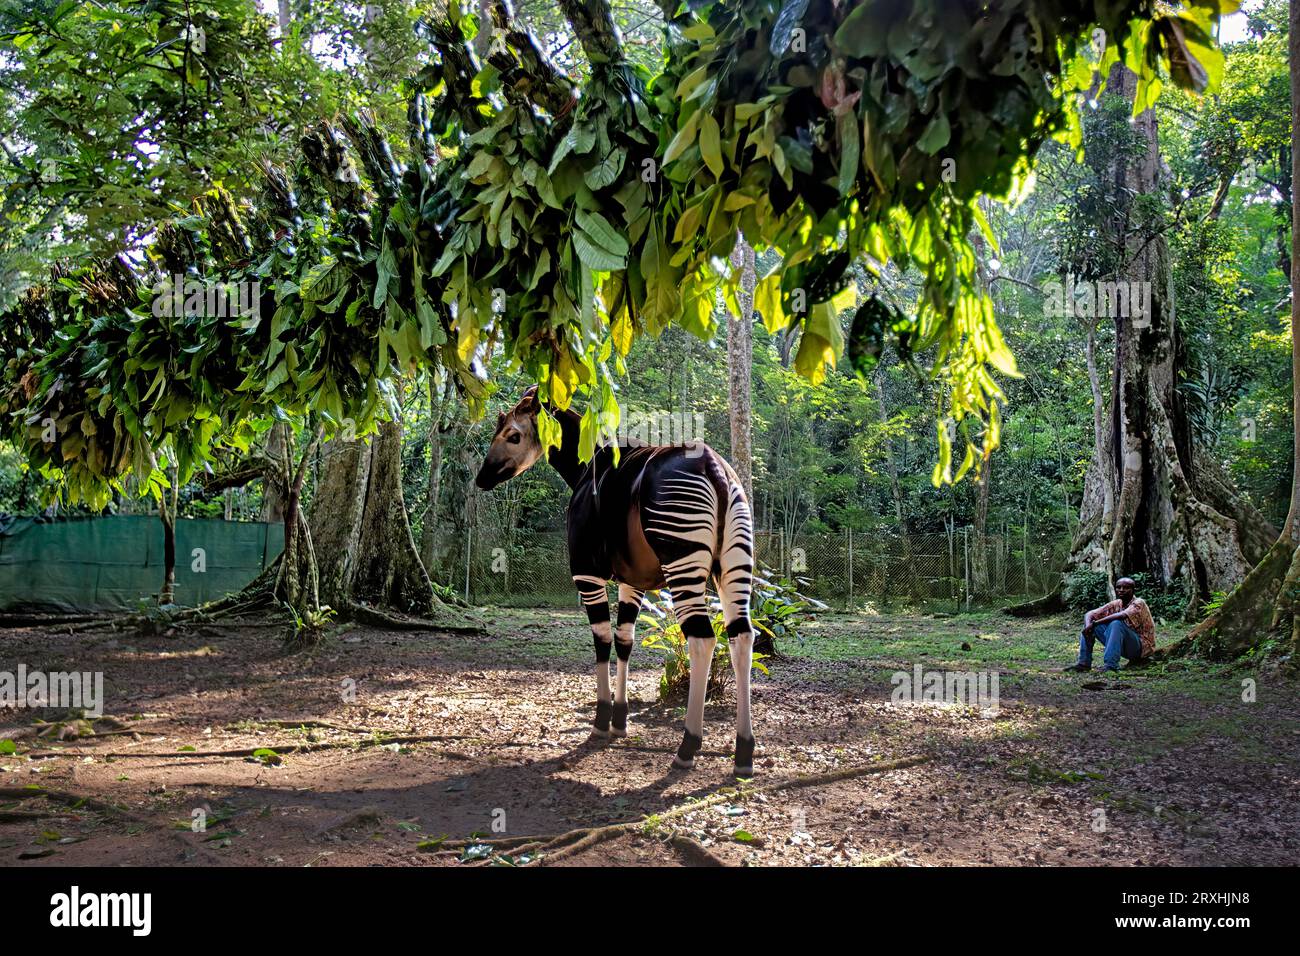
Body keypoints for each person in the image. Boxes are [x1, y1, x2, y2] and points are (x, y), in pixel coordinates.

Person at [1063, 577, 1156, 673]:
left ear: (1133, 590)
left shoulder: (1139, 603)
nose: (1121, 590)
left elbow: (1121, 615)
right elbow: (1090, 614)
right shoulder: (1117, 603)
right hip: (1125, 646)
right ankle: (1083, 663)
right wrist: (1088, 626)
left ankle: (1111, 666)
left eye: (1126, 588)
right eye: (1118, 587)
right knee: (1090, 626)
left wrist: (1096, 622)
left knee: (1116, 623)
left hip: (1141, 649)